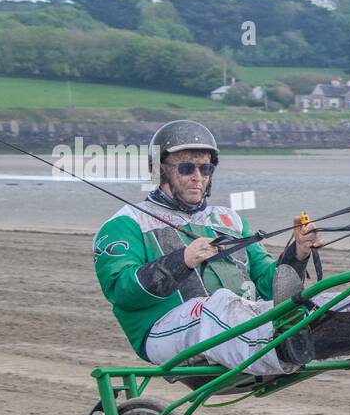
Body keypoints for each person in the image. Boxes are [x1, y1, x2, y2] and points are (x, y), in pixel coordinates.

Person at [92, 120, 320, 375]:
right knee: (218, 305)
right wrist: (182, 261)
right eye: (187, 168)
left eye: (205, 168)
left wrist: (298, 253)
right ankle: (285, 351)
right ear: (160, 170)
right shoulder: (127, 223)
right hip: (160, 333)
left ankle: (346, 336)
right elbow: (122, 292)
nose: (198, 177)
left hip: (238, 319)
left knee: (314, 302)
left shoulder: (230, 219)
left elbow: (268, 286)